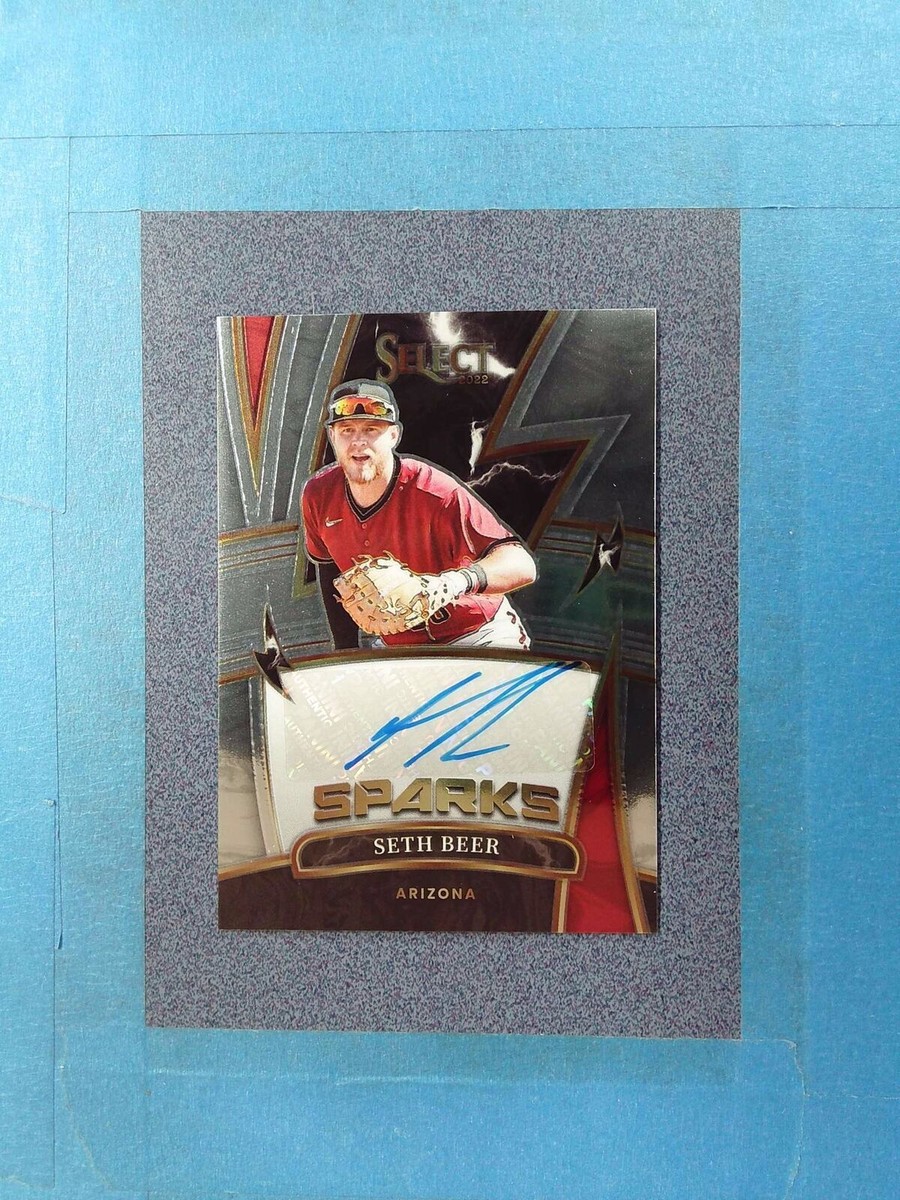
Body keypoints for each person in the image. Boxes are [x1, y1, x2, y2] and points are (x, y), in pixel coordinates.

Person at [301, 379, 536, 650]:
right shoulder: (318, 495)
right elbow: (330, 567)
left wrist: (454, 582)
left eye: (371, 429)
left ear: (393, 436)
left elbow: (522, 565)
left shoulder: (432, 491)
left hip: (478, 633)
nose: (358, 441)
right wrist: (346, 651)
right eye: (346, 430)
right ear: (332, 436)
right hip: (399, 645)